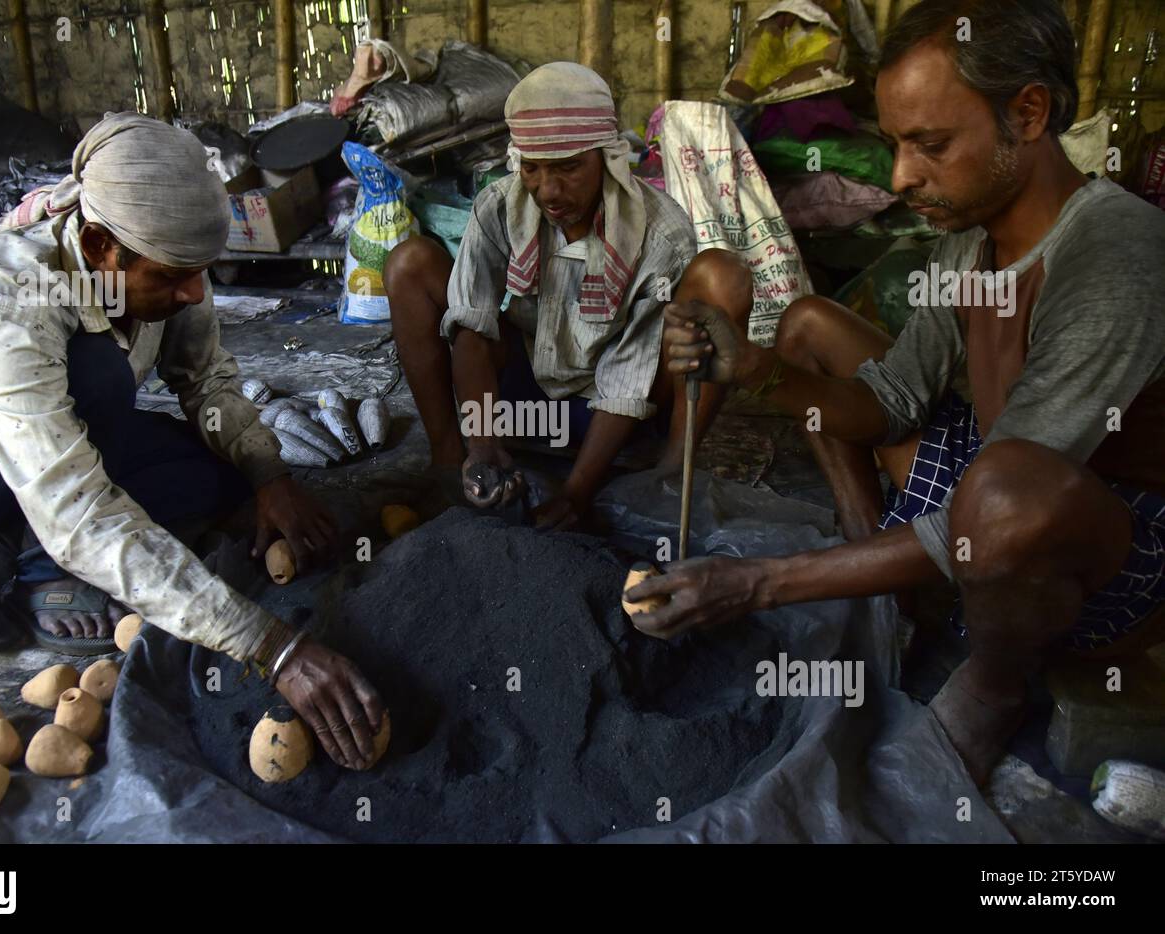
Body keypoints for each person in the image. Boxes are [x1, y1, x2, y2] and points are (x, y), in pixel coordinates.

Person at [630, 0, 1165, 785]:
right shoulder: (966, 247)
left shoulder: (1115, 250)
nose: (903, 175)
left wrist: (759, 582)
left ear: (1027, 112)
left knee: (1004, 494)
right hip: (995, 482)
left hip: (1116, 554)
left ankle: (994, 683)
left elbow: (1009, 495)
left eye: (931, 144)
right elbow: (888, 404)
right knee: (813, 325)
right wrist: (750, 367)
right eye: (895, 146)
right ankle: (874, 555)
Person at [0, 112, 383, 769]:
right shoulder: (6, 303)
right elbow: (77, 507)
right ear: (99, 246)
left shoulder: (165, 258)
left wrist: (268, 476)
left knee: (214, 477)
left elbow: (207, 383)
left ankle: (6, 544)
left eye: (200, 273)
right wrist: (272, 647)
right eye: (171, 278)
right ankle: (27, 565)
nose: (194, 292)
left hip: (59, 431)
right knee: (99, 374)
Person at [385, 62, 751, 529]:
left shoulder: (661, 232)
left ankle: (666, 478)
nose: (549, 191)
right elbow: (472, 324)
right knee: (408, 263)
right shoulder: (500, 205)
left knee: (722, 275)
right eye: (533, 169)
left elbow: (628, 376)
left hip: (621, 413)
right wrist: (482, 443)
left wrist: (577, 494)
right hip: (527, 408)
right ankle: (448, 463)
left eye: (569, 168)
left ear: (607, 156)